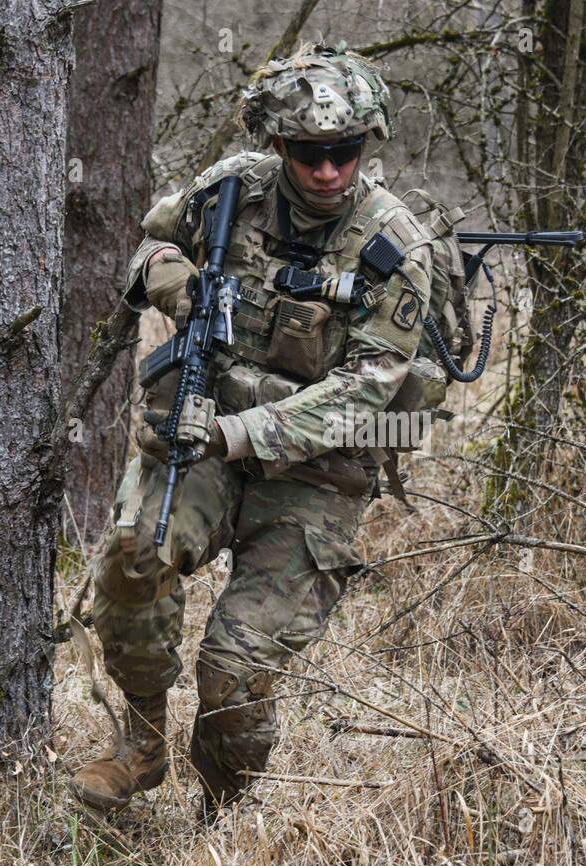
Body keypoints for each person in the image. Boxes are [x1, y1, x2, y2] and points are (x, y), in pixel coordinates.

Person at [69, 43, 435, 819]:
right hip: (201, 439)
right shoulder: (230, 188)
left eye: (345, 152)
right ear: (279, 145)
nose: (329, 169)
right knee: (136, 558)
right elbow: (150, 245)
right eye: (309, 153)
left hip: (315, 478)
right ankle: (139, 745)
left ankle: (222, 810)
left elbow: (364, 394)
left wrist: (236, 433)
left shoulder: (395, 248)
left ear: (368, 144)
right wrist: (172, 277)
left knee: (232, 679)